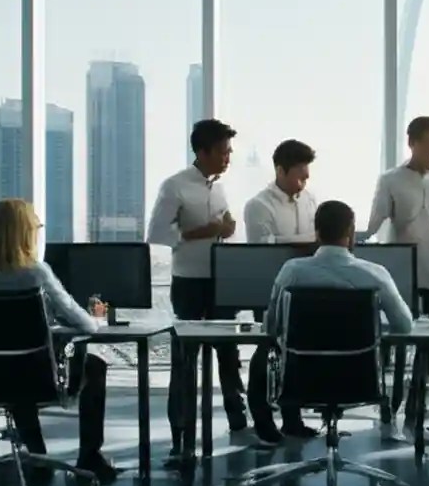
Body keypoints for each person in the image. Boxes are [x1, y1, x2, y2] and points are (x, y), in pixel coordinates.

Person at [0, 199, 117, 482]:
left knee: (12, 362)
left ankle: (37, 453)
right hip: (35, 378)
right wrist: (95, 317)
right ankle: (89, 457)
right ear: (26, 232)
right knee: (94, 364)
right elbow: (85, 323)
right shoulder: (35, 272)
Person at [147, 118, 245, 466]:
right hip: (188, 282)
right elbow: (157, 234)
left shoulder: (218, 188)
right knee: (184, 361)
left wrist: (226, 228)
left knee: (229, 356)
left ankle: (239, 424)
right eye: (223, 152)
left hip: (220, 280)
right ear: (202, 151)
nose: (228, 158)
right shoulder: (174, 186)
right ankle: (181, 435)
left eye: (229, 152)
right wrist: (203, 231)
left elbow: (220, 226)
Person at [366, 115, 429, 439]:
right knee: (394, 347)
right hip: (401, 277)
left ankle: (416, 418)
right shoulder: (390, 180)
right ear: (412, 143)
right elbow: (376, 223)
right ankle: (387, 414)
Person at [241, 139, 320, 443]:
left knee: (296, 354)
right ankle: (262, 419)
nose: (304, 182)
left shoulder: (310, 200)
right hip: (270, 289)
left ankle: (292, 419)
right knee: (267, 351)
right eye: (299, 175)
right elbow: (264, 249)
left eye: (307, 175)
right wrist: (302, 241)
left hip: (303, 290)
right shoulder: (259, 206)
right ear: (280, 170)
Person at [265, 199, 414, 347]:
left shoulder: (291, 272)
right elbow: (404, 326)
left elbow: (272, 327)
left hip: (301, 368)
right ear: (351, 231)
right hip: (359, 368)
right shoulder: (376, 275)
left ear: (316, 233)